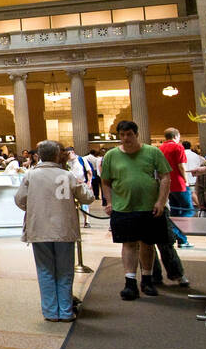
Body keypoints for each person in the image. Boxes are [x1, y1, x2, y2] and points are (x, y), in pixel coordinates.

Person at [14, 141, 92, 322]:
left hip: (39, 229)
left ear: (39, 155)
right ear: (57, 155)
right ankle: (65, 311)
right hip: (64, 229)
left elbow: (19, 200)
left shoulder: (31, 176)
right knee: (65, 271)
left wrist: (33, 206)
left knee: (45, 270)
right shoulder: (67, 175)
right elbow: (87, 197)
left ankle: (50, 312)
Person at [101, 120, 171, 301]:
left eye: (129, 134)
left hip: (148, 207)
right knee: (129, 244)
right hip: (123, 207)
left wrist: (161, 201)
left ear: (136, 134)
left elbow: (165, 177)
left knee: (148, 243)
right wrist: (109, 202)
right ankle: (130, 282)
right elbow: (106, 181)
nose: (125, 138)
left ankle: (147, 279)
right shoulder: (111, 155)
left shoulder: (152, 152)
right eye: (122, 135)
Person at [158, 128, 195, 249]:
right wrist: (186, 181)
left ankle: (182, 240)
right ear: (176, 136)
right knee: (188, 209)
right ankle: (175, 232)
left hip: (167, 184)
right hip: (179, 184)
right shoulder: (178, 147)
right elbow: (181, 166)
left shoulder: (160, 148)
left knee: (175, 212)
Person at [64, 146, 93, 229]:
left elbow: (89, 171)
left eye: (68, 154)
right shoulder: (65, 161)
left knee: (84, 203)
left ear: (72, 152)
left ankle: (87, 220)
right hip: (69, 185)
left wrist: (89, 182)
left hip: (81, 184)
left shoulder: (82, 159)